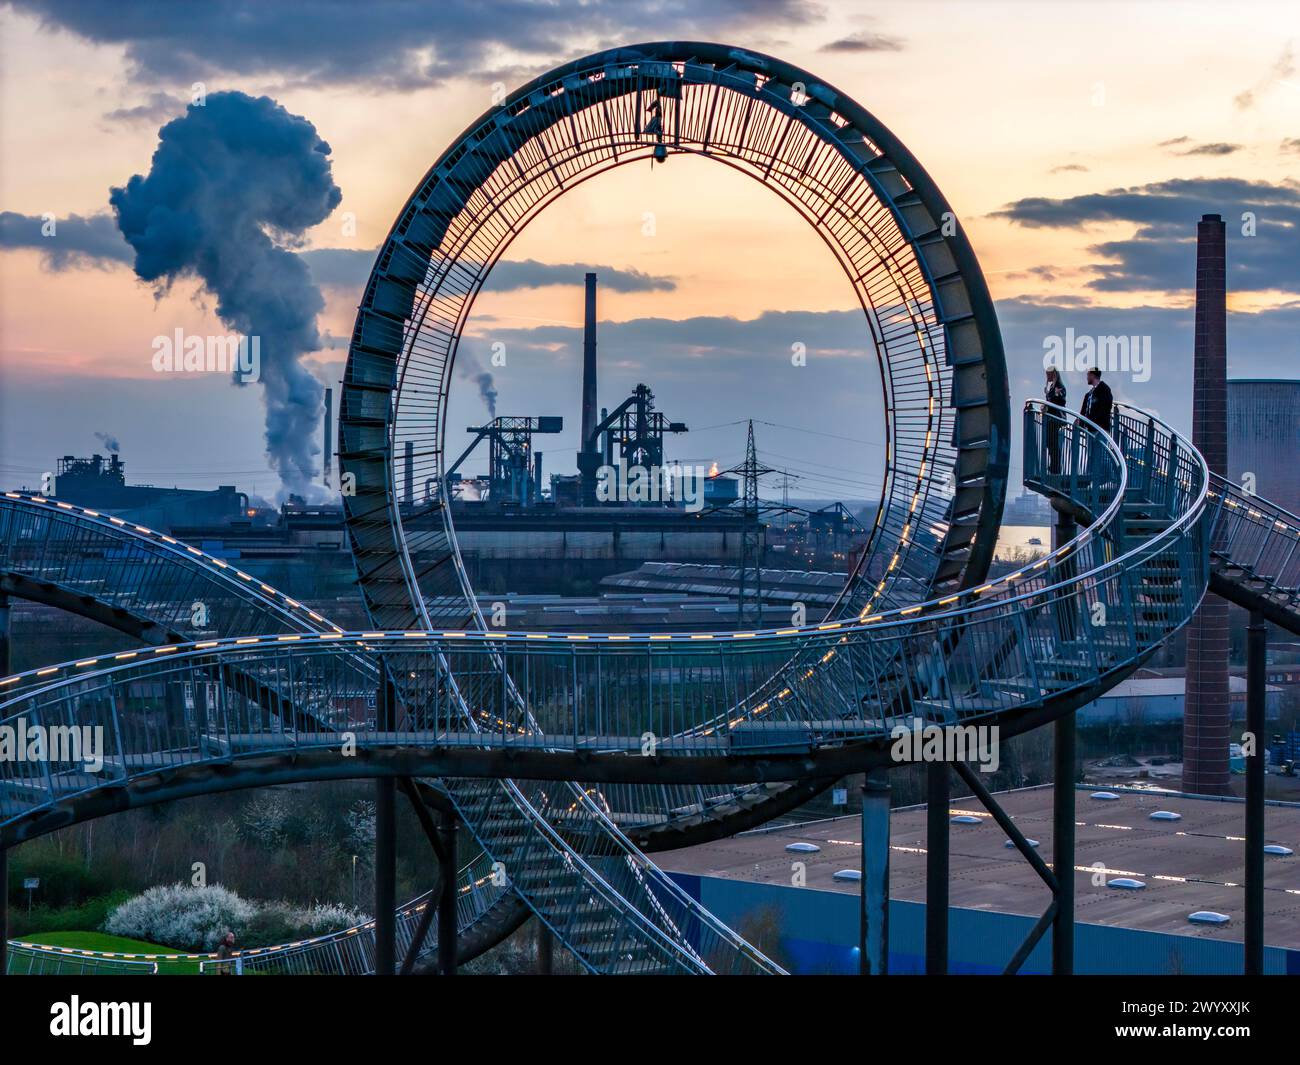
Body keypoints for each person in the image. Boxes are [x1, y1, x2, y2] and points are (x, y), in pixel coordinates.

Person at [1044, 367, 1066, 473]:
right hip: (1051, 418)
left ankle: (1056, 467)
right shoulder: (1052, 386)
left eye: (1049, 374)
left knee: (1053, 443)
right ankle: (1054, 466)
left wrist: (1055, 395)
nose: (1047, 376)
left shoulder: (1059, 386)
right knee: (1050, 442)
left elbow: (1060, 400)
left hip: (1055, 419)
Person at [1079, 367, 1113, 433]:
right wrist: (1082, 423)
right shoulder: (1089, 394)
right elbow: (1084, 411)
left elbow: (1106, 407)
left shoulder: (1104, 389)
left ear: (1093, 375)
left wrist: (1092, 420)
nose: (1087, 377)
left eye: (1088, 375)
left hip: (1100, 429)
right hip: (1090, 429)